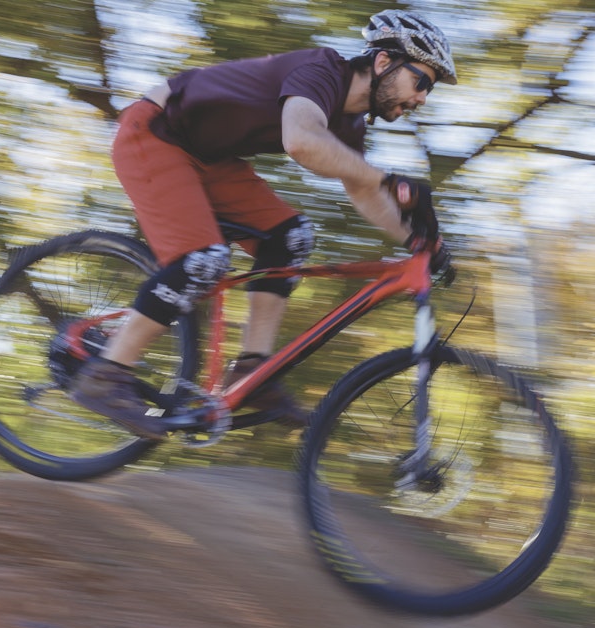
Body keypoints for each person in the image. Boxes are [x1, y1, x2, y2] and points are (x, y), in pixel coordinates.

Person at [70, 9, 457, 440]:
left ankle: (251, 372)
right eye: (421, 81)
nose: (422, 97)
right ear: (384, 62)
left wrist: (423, 242)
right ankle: (105, 375)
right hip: (156, 133)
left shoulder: (347, 123)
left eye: (429, 90)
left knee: (291, 237)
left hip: (210, 159)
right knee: (203, 261)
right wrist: (389, 180)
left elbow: (364, 190)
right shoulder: (322, 71)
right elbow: (302, 140)